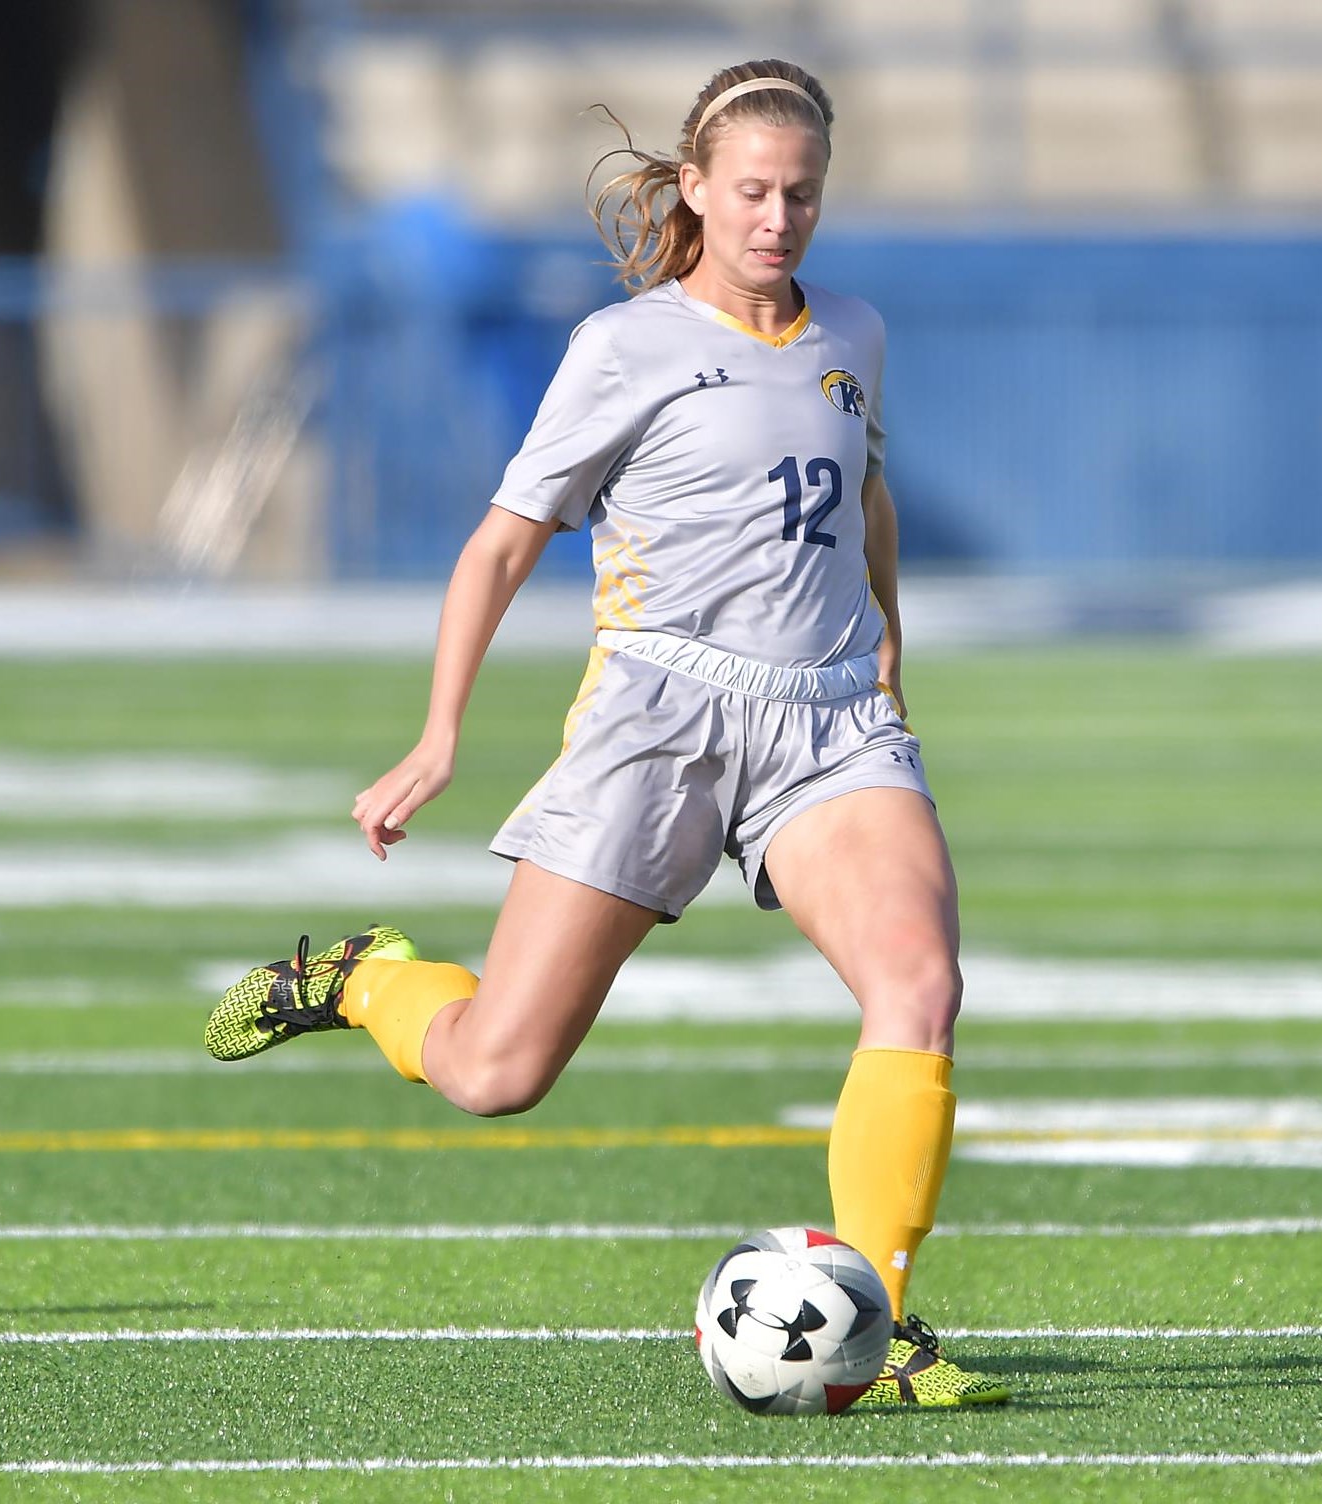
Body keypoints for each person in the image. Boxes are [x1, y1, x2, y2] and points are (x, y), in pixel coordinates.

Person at [202, 58, 1008, 1409]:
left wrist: (886, 641)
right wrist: (438, 735)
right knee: (496, 1070)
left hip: (829, 728)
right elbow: (497, 549)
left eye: (800, 194)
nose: (776, 219)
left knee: (917, 988)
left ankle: (881, 1317)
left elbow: (864, 498)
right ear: (694, 188)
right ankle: (362, 981)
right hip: (656, 719)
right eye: (750, 190)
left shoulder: (850, 332)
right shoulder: (624, 348)